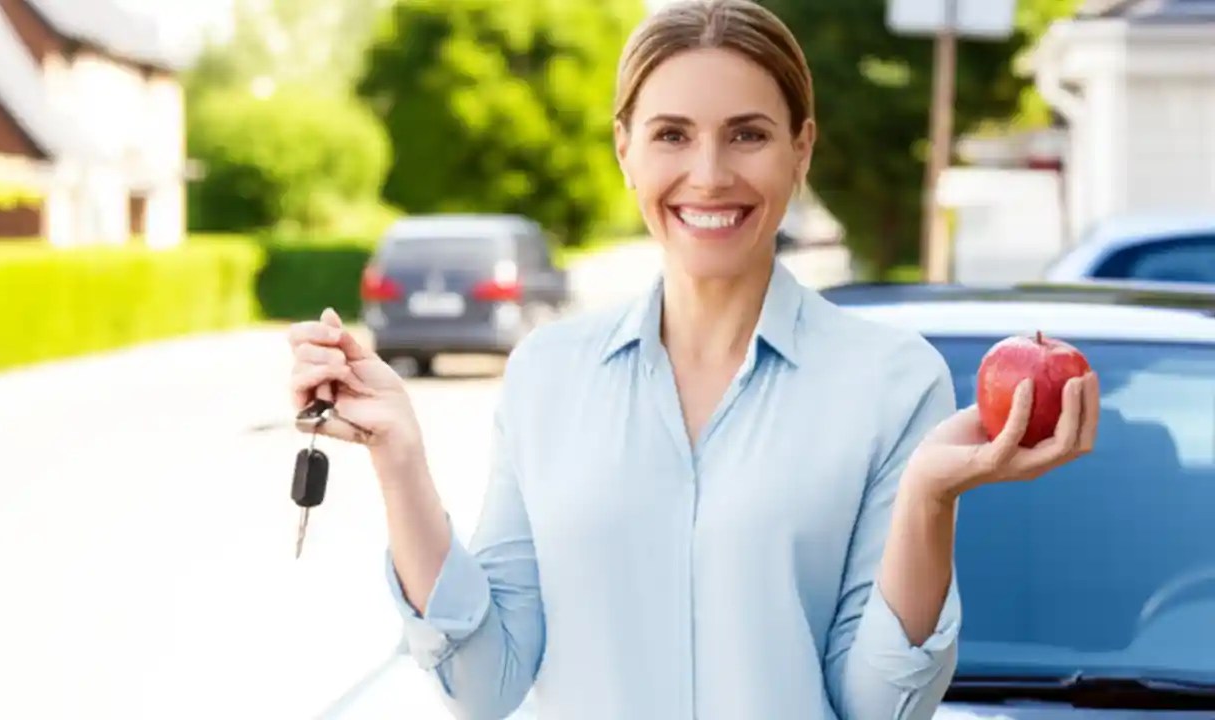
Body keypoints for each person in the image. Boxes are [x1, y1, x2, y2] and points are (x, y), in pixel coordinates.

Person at [285, 1, 1100, 717]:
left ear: (801, 149)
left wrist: (928, 499)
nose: (709, 176)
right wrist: (399, 459)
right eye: (672, 135)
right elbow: (486, 683)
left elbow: (876, 707)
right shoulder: (548, 374)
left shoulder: (890, 381)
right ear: (625, 149)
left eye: (747, 135)